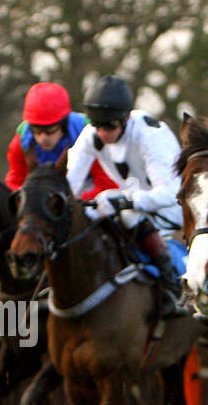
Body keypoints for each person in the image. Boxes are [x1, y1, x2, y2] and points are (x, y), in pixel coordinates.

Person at [65, 75, 186, 316]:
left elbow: (171, 193)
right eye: (97, 126)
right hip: (134, 199)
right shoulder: (92, 134)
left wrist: (124, 200)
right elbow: (70, 182)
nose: (103, 133)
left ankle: (172, 286)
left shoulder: (151, 136)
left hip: (171, 210)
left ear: (126, 117)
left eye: (109, 126)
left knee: (126, 212)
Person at [5, 82, 116, 197]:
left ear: (63, 124)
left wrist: (74, 205)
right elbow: (15, 183)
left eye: (49, 130)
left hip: (88, 191)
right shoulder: (22, 141)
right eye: (36, 130)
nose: (43, 138)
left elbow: (107, 184)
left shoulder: (90, 134)